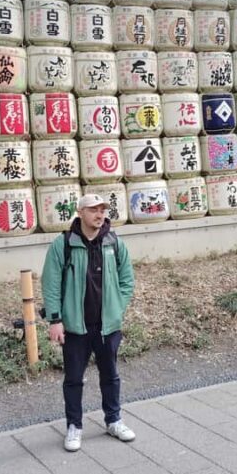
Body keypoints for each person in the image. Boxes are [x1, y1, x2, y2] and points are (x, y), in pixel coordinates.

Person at [41, 193, 136, 452]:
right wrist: (55, 320)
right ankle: (74, 426)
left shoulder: (114, 242)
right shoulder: (64, 244)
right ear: (80, 212)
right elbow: (51, 285)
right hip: (75, 326)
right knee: (73, 378)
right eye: (93, 209)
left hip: (107, 325)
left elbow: (127, 280)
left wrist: (118, 306)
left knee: (111, 375)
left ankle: (114, 420)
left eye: (103, 209)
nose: (99, 214)